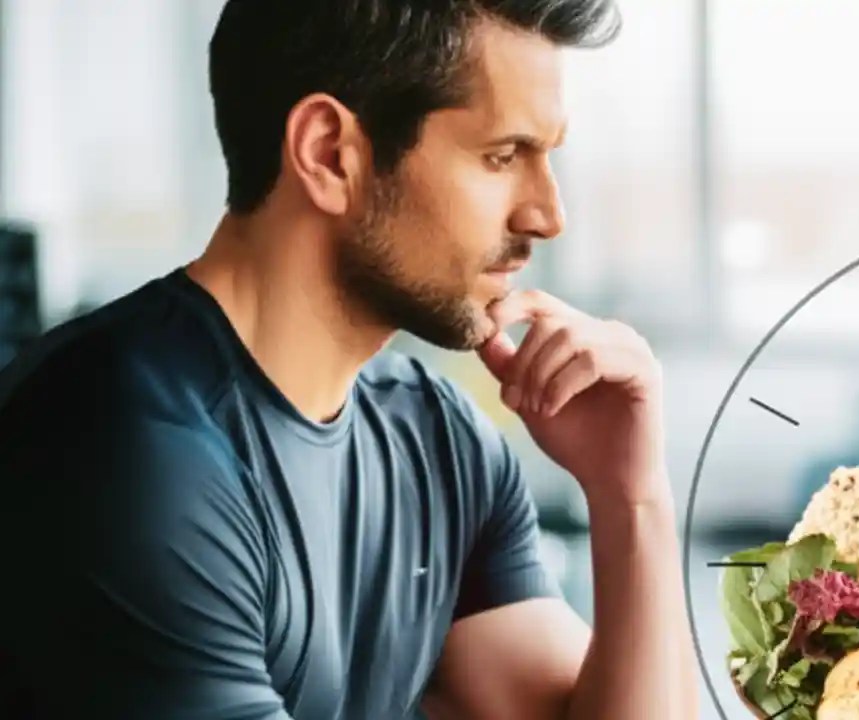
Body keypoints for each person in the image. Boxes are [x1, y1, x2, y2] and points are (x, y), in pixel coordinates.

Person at [0, 1, 699, 718]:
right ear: (330, 153)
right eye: (502, 156)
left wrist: (631, 496)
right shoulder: (122, 450)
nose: (547, 215)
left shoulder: (437, 439)